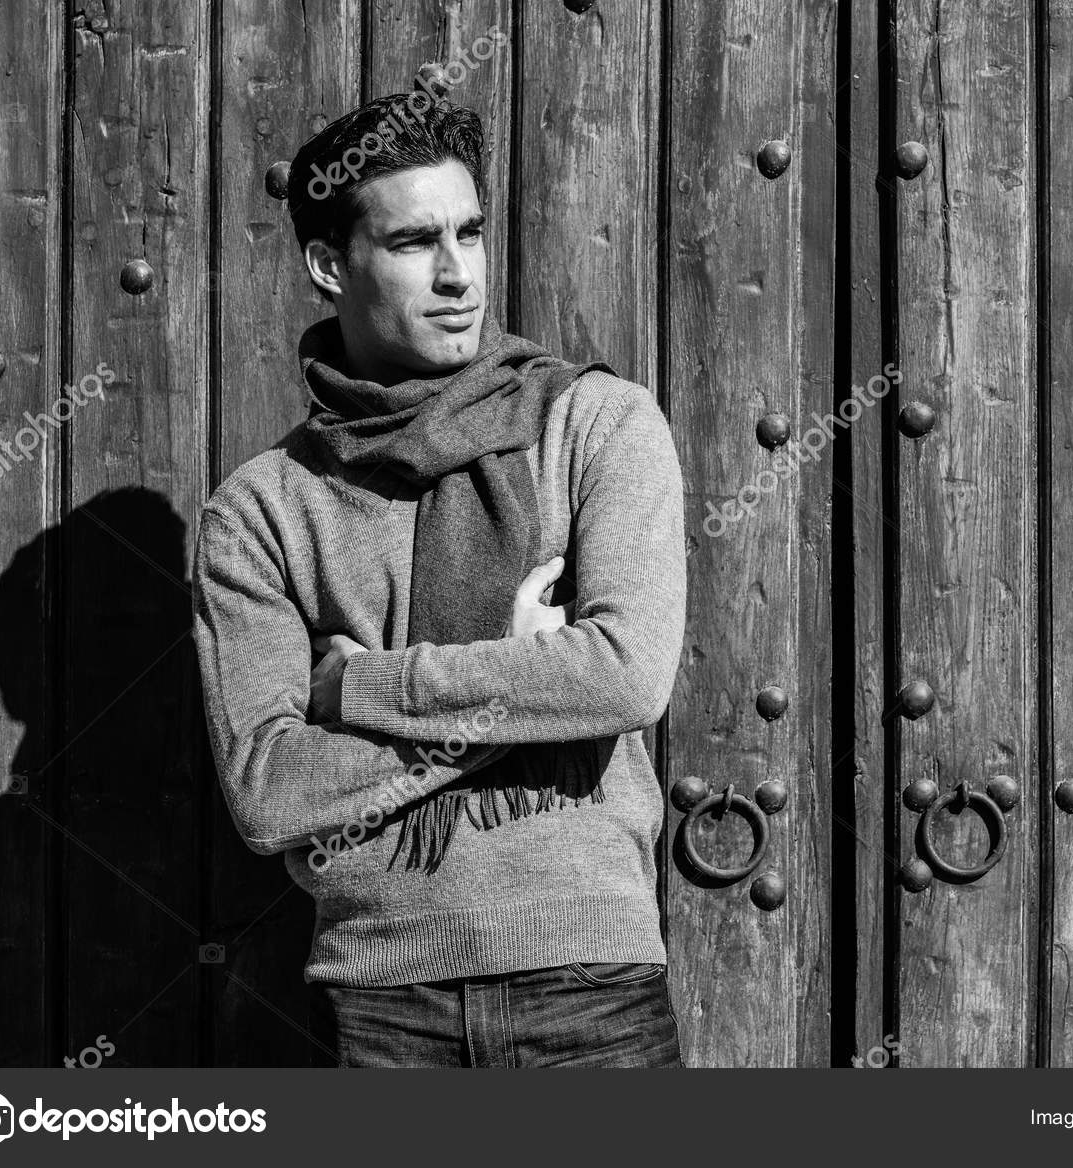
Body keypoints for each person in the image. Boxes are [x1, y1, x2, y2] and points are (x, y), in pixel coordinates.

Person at [191, 89, 686, 1067]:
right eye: (416, 241)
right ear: (330, 265)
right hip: (382, 1000)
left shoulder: (597, 428)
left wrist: (361, 688)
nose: (459, 274)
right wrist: (526, 686)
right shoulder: (262, 509)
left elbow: (625, 678)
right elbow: (269, 793)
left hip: (592, 988)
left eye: (469, 231)